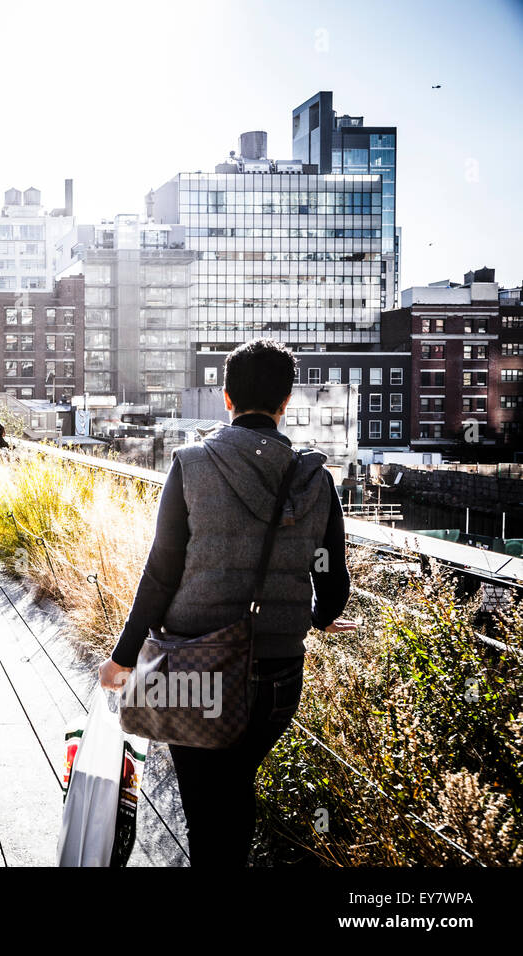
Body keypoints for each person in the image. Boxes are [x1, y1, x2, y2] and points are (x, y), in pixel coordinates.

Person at [98, 338, 357, 868]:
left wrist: (123, 658)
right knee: (239, 788)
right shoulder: (316, 478)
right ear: (286, 402)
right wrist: (318, 619)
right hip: (278, 673)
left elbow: (161, 571)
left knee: (206, 806)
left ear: (226, 398)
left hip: (197, 666)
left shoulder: (192, 463)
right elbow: (331, 577)